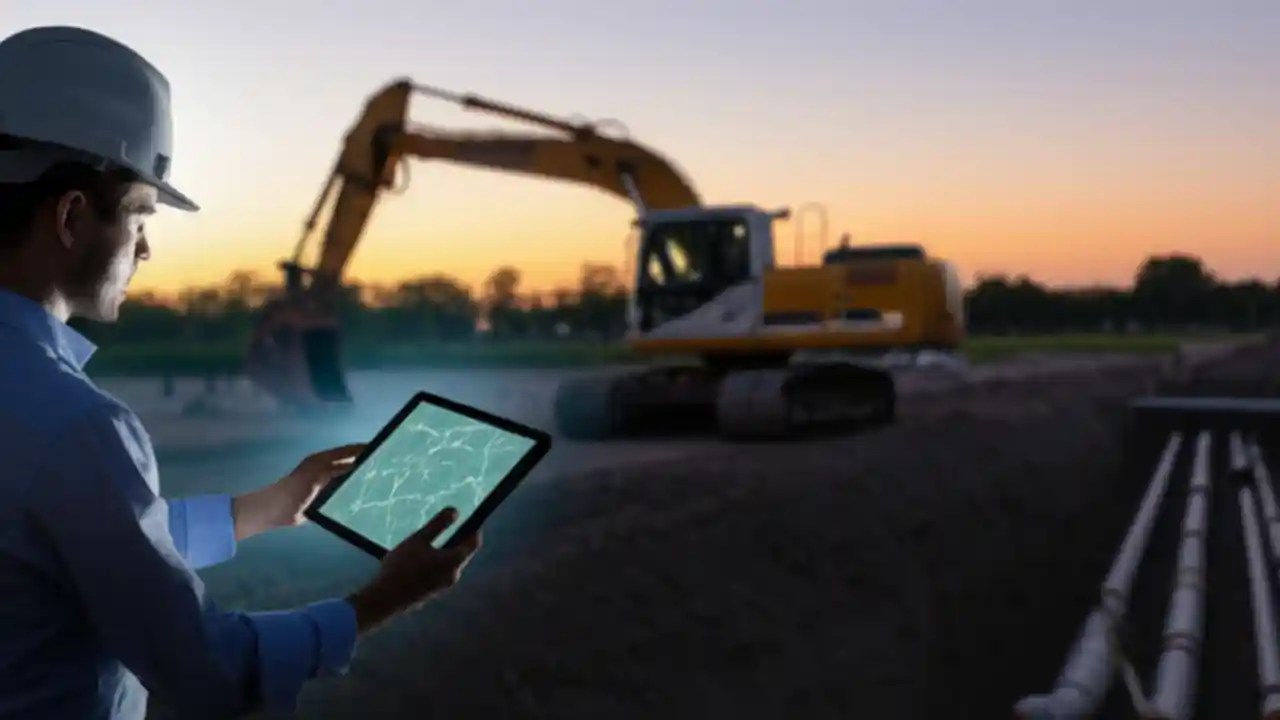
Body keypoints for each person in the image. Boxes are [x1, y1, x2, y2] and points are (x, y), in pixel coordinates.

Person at [0, 25, 481, 719]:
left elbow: (87, 545)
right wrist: (384, 598)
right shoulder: (75, 425)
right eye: (139, 216)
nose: (147, 249)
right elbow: (208, 670)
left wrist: (266, 508)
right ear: (72, 217)